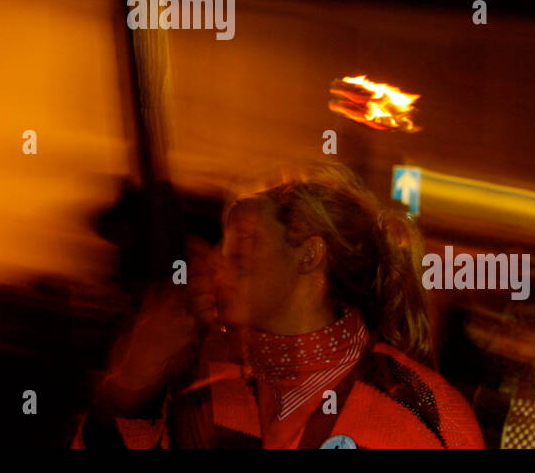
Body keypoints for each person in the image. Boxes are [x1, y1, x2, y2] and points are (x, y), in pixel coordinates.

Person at [75, 163, 485, 448]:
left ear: (309, 256)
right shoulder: (208, 407)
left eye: (244, 246)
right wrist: (130, 388)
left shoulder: (418, 413)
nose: (218, 262)